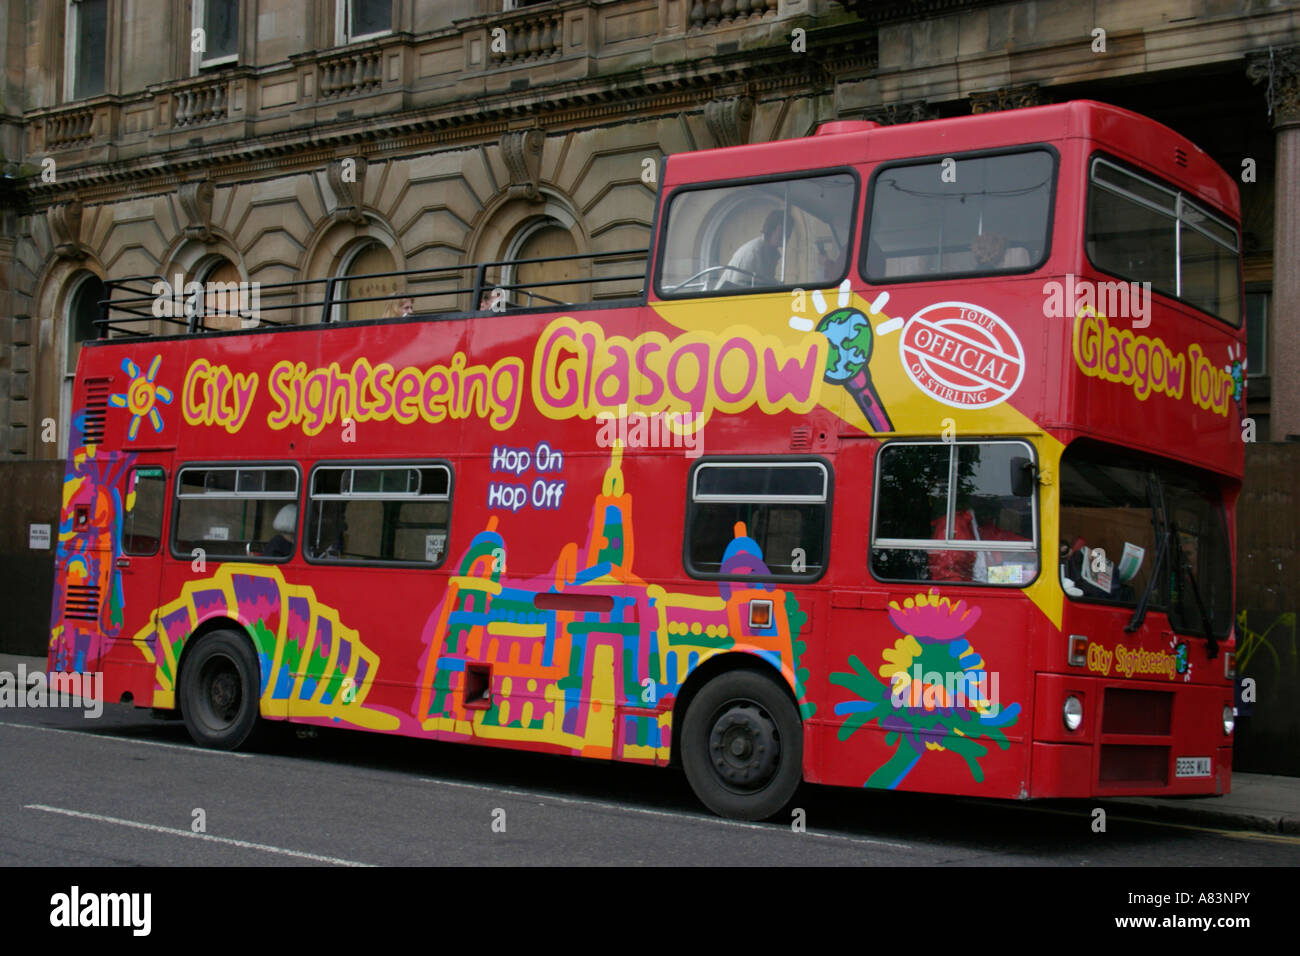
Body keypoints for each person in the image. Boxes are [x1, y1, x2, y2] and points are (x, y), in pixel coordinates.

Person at [718, 209, 787, 288]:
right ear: (771, 228)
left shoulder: (771, 252)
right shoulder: (754, 252)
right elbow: (740, 285)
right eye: (782, 230)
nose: (786, 235)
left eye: (789, 231)